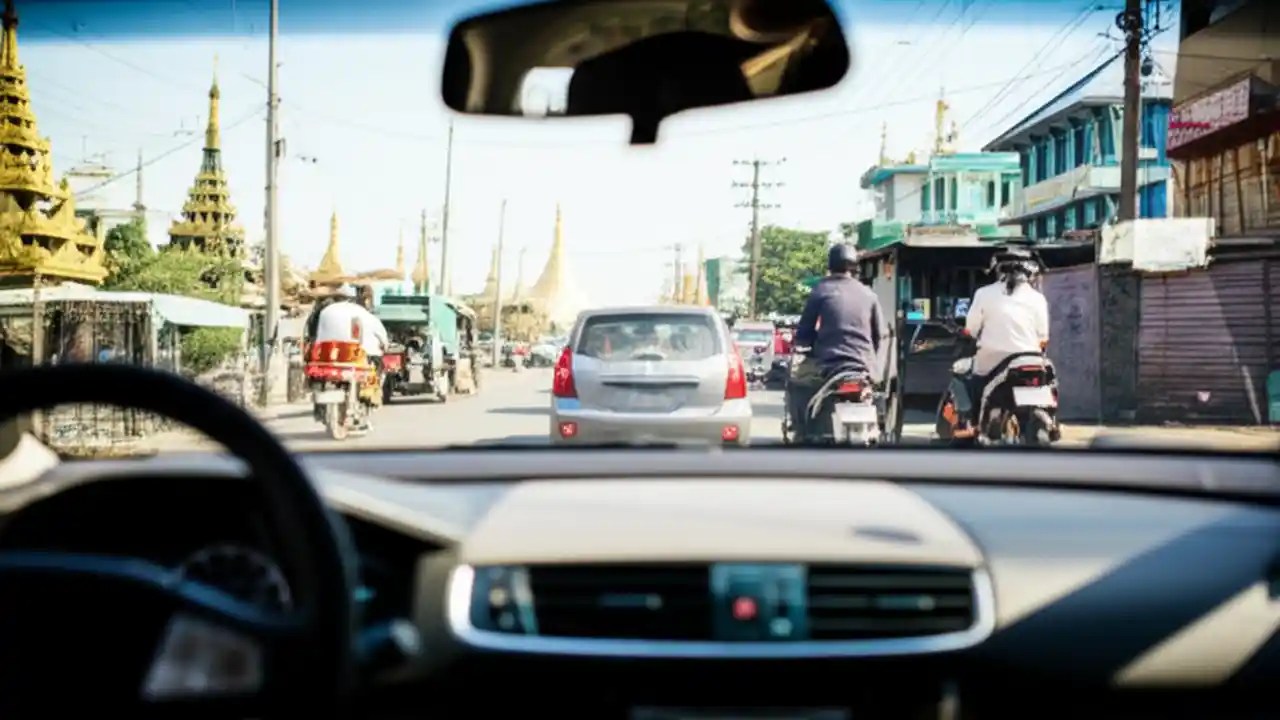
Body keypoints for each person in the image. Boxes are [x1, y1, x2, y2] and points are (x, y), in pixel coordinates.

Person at [789, 243, 887, 437]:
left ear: (830, 265)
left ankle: (803, 433)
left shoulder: (821, 290)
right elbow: (879, 335)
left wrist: (807, 345)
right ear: (855, 267)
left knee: (797, 385)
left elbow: (804, 331)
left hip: (829, 365)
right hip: (864, 368)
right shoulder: (869, 294)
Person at [959, 248, 1050, 426]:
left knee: (974, 380)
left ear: (998, 270)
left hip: (991, 360)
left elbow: (970, 329)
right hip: (1030, 360)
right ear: (1028, 272)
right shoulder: (1038, 298)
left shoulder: (984, 294)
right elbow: (1043, 338)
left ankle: (974, 423)